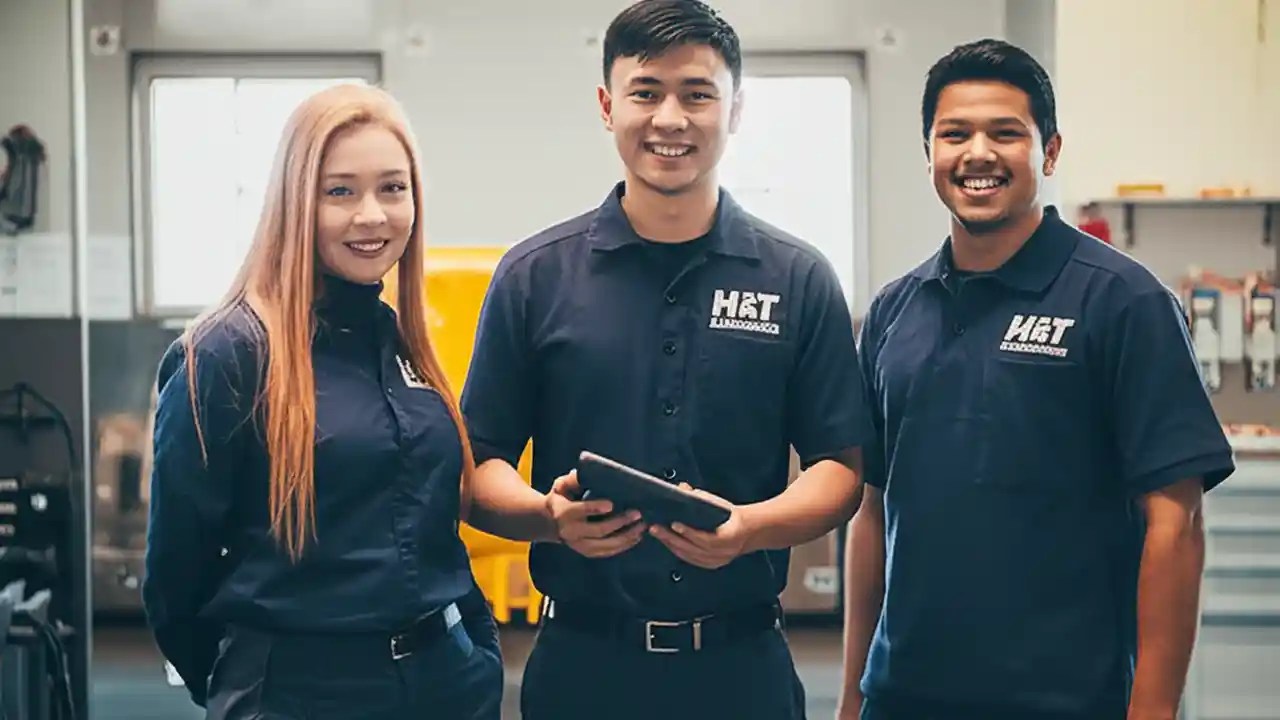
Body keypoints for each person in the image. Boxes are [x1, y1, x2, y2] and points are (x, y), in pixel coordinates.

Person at [456, 1, 873, 718]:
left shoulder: (797, 278)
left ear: (735, 109)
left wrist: (751, 530)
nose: (670, 118)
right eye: (646, 92)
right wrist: (548, 517)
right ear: (606, 104)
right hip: (582, 673)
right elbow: (478, 463)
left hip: (743, 674)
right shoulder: (534, 277)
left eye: (698, 94)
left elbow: (840, 467)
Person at [838, 39, 1235, 720]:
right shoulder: (893, 311)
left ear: (1048, 153)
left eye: (1006, 132)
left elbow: (1177, 523)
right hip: (903, 696)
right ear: (928, 153)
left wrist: (1152, 711)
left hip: (1068, 700)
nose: (978, 153)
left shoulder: (1123, 302)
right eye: (954, 133)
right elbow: (872, 513)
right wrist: (853, 698)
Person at [142, 84, 503, 720]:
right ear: (295, 202)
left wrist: (473, 642)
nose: (373, 215)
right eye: (340, 191)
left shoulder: (400, 340)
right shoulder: (227, 354)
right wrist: (245, 686)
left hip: (446, 682)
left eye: (393, 188)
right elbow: (175, 577)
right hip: (300, 691)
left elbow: (431, 525)